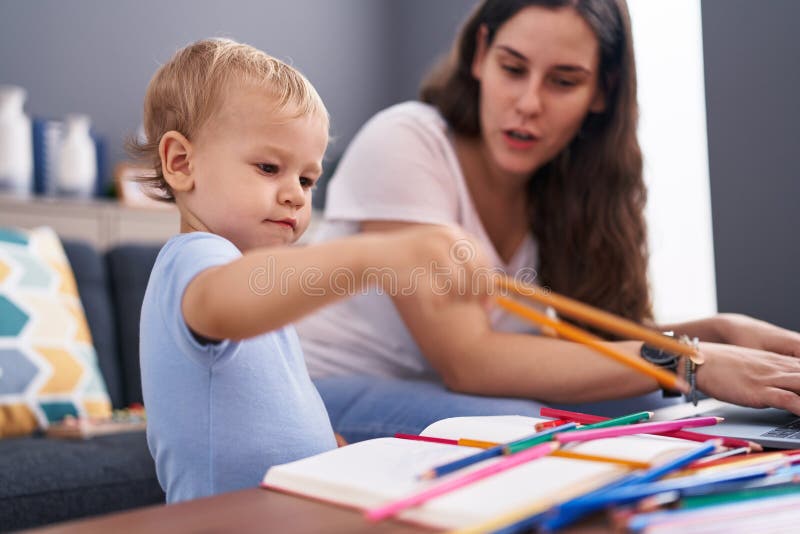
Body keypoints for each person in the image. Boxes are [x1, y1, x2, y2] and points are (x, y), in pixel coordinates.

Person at [296, 0, 800, 443]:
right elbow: (470, 362)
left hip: (441, 385)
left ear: (602, 92)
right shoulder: (406, 141)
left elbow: (576, 347)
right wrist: (689, 361)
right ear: (480, 55)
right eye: (513, 69)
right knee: (536, 432)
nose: (529, 103)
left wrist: (715, 334)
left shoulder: (565, 186)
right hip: (326, 389)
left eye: (563, 81)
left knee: (664, 410)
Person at [133, 38, 490, 503]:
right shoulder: (196, 258)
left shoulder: (254, 279)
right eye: (268, 167)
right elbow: (223, 302)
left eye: (306, 179)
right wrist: (377, 255)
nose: (297, 196)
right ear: (181, 163)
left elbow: (279, 403)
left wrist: (330, 447)